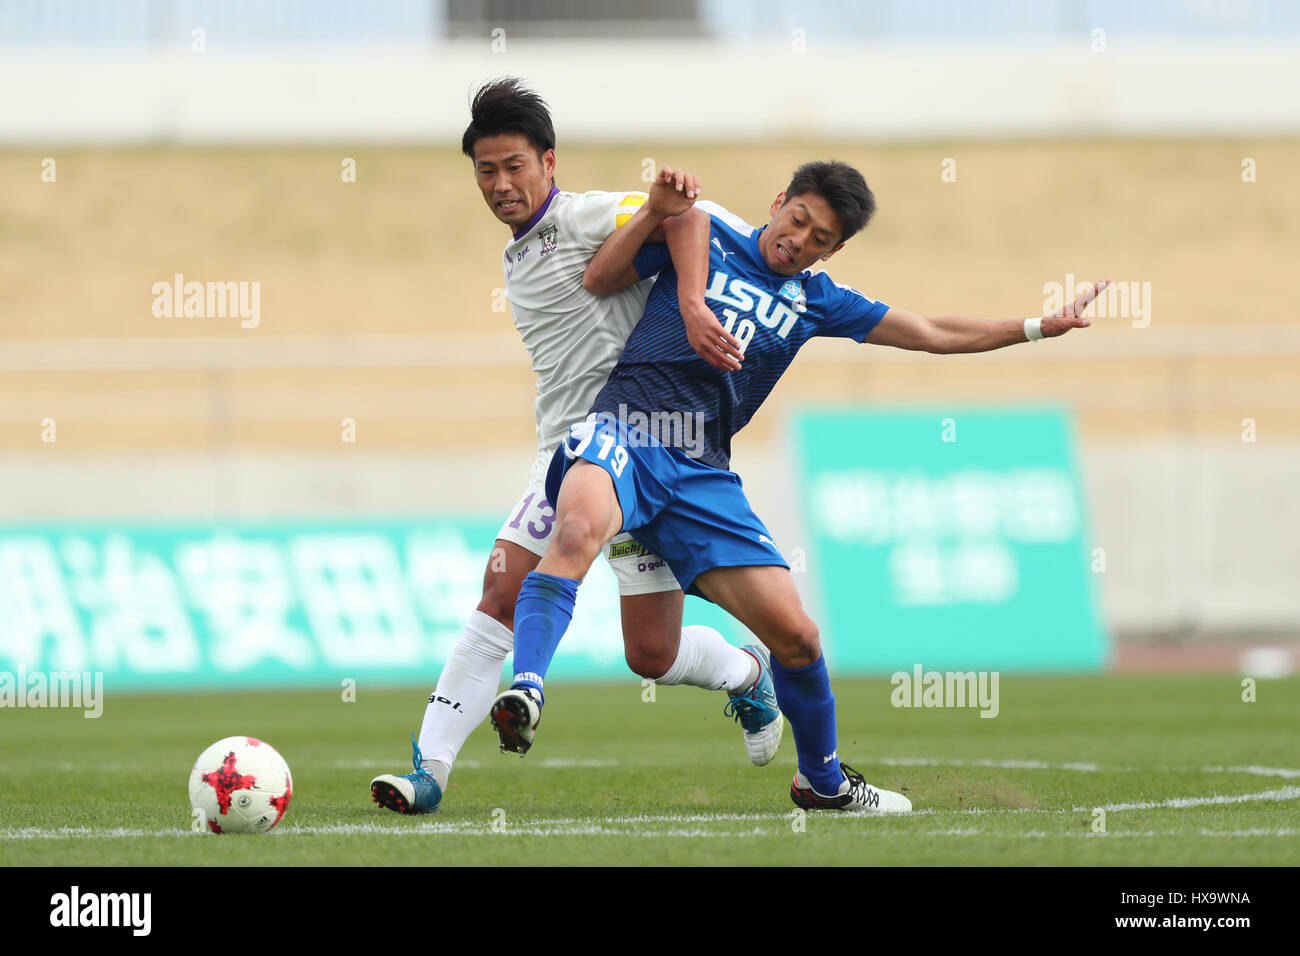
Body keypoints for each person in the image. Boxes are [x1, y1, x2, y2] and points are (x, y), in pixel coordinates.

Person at [490, 159, 1108, 812]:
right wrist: (692, 301)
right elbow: (609, 270)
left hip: (702, 472)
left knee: (797, 639)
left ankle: (823, 781)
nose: (799, 239)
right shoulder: (703, 231)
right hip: (627, 430)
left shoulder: (818, 300)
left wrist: (1036, 327)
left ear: (835, 249)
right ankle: (526, 689)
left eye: (820, 238)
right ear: (780, 201)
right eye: (798, 219)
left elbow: (930, 332)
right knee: (578, 529)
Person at [369, 79, 783, 815]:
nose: (501, 184)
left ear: (548, 162)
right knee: (519, 600)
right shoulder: (516, 255)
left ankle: (748, 673)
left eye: (515, 166)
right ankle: (428, 770)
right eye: (486, 171)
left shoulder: (589, 214)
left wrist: (691, 302)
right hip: (572, 458)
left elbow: (688, 214)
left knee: (647, 652)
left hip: (648, 448)